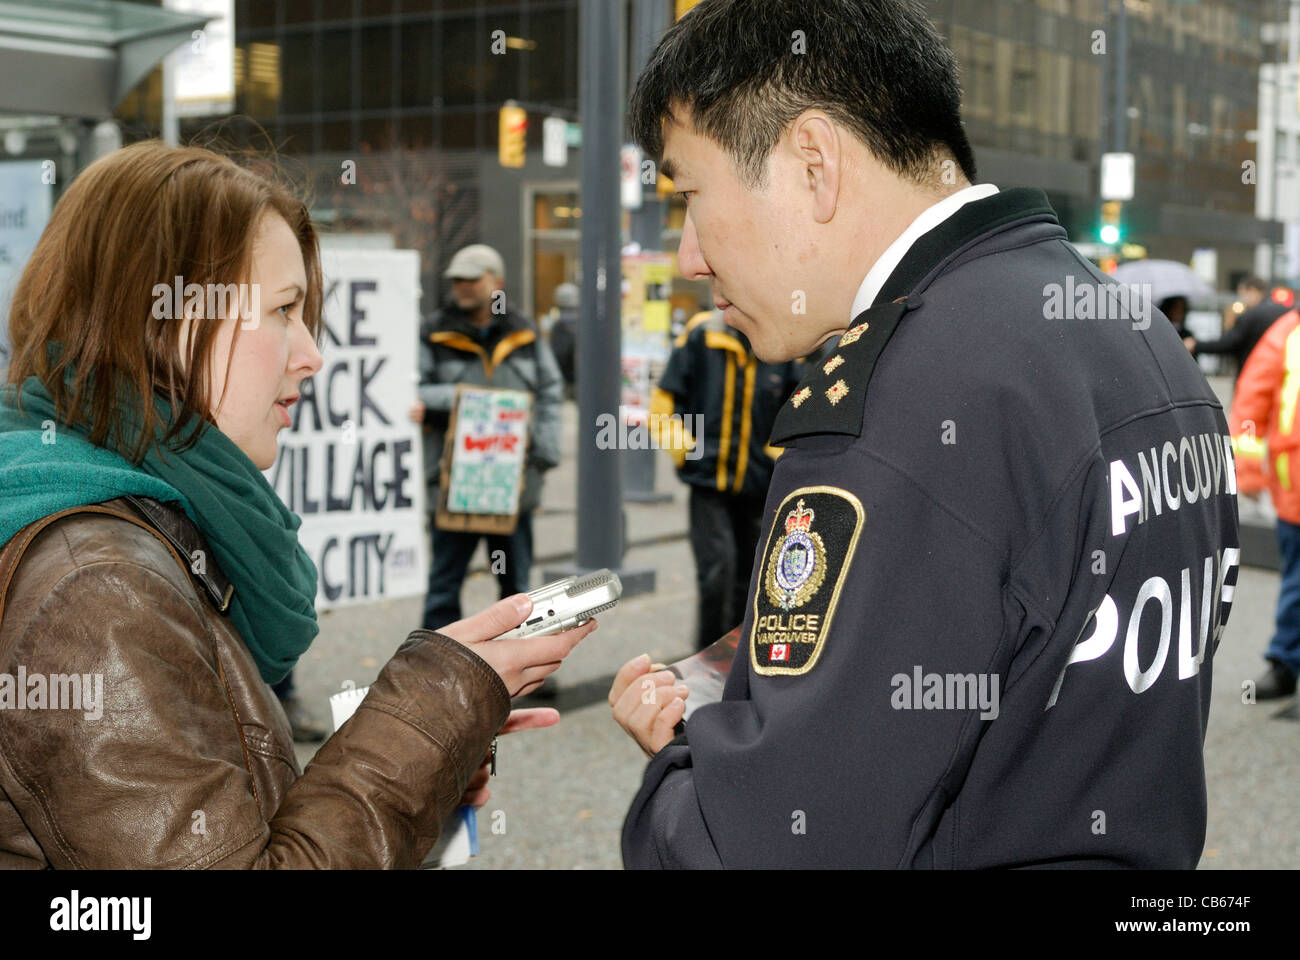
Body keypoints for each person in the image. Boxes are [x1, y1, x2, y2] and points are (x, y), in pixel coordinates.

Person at [608, 0, 1238, 868]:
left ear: (814, 162)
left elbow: (779, 845)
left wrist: (686, 766)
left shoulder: (902, 401)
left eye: (689, 192)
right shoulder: (1135, 333)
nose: (688, 254)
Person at [0, 142, 594, 868]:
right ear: (163, 318)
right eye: (283, 310)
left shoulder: (123, 527)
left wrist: (424, 765)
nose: (311, 355)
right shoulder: (98, 589)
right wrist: (425, 717)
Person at [410, 245, 563, 631]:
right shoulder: (432, 331)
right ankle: (435, 673)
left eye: (471, 279)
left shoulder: (524, 331)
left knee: (516, 588)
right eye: (456, 280)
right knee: (444, 585)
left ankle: (522, 665)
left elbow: (550, 391)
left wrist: (543, 456)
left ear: (497, 283)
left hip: (512, 485)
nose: (461, 286)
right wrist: (468, 401)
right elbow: (412, 391)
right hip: (451, 483)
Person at [651, 308, 802, 648]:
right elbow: (662, 404)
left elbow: (799, 406)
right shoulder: (701, 337)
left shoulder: (780, 341)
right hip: (709, 485)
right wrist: (687, 451)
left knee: (752, 577)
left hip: (759, 485)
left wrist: (776, 456)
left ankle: (737, 663)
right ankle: (706, 658)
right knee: (716, 573)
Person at [1228, 307, 1300, 710]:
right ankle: (1286, 664)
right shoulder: (1287, 334)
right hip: (1296, 493)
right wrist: (1250, 473)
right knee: (1296, 583)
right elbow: (1251, 407)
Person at [1186, 276, 1289, 380]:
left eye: (1242, 294)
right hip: (1281, 373)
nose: (1242, 299)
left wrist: (1197, 345)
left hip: (1253, 375)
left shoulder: (1251, 315)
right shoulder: (1286, 312)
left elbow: (1228, 343)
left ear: (1252, 291)